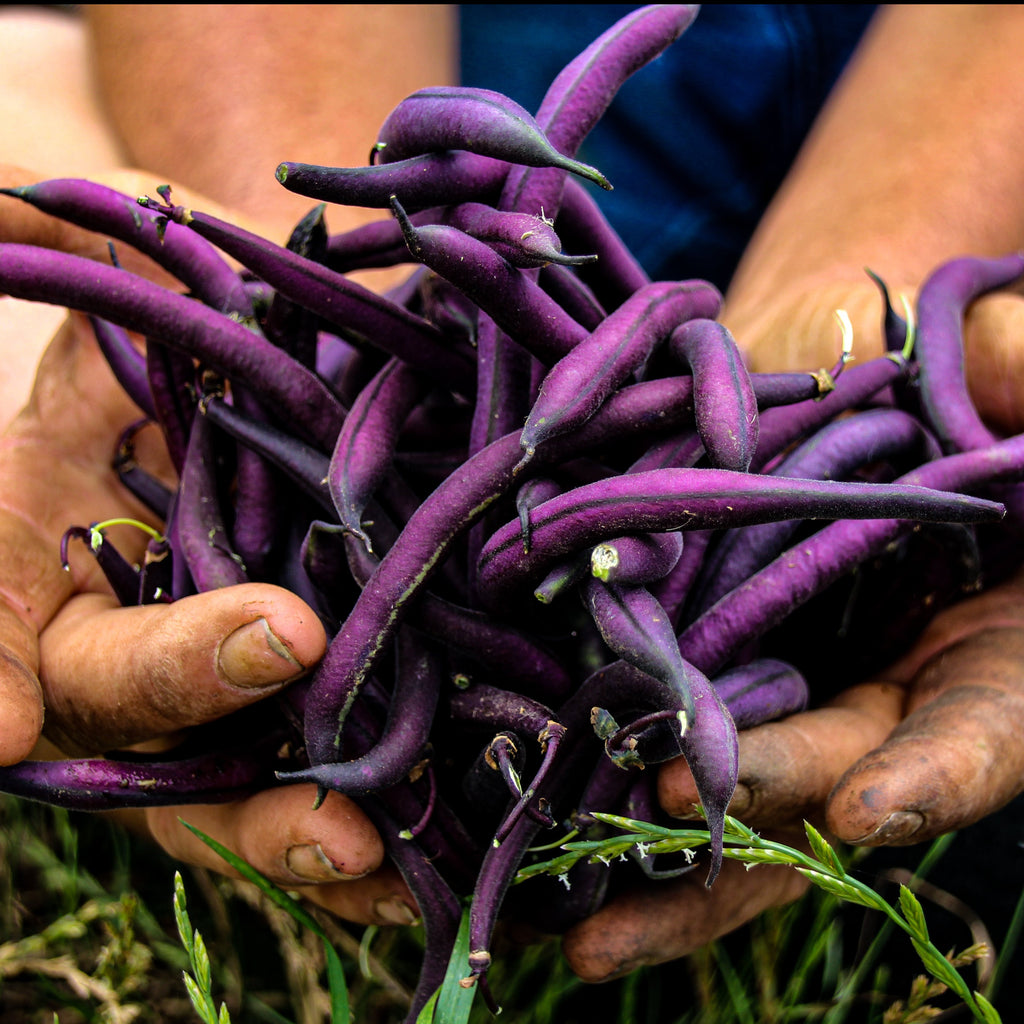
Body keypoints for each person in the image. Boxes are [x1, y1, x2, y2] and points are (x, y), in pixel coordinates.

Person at [3, 0, 1024, 988]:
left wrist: (880, 281)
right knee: (23, 70)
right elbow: (343, 257)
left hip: (899, 156)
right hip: (423, 124)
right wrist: (303, 278)